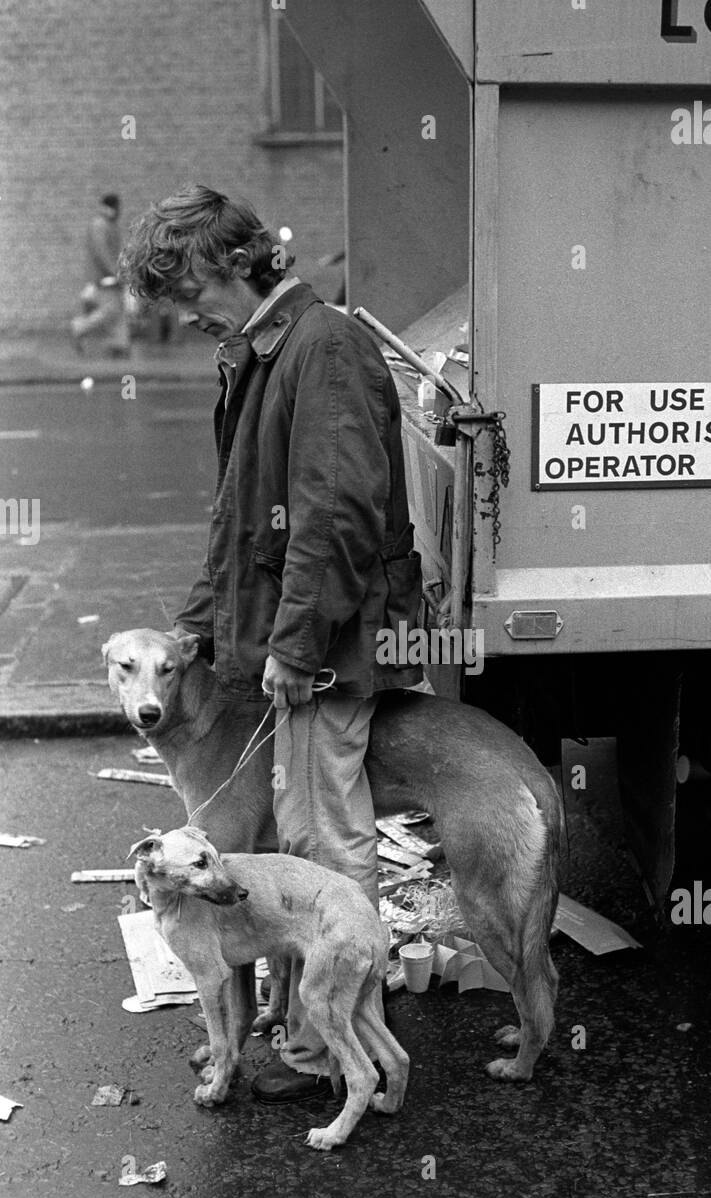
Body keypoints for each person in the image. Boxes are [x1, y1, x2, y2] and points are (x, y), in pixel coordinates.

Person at [119, 185, 423, 1102]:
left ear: (235, 260)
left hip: (325, 643)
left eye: (189, 291)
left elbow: (334, 512)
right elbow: (241, 520)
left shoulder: (319, 346)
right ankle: (308, 1035)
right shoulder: (263, 348)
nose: (188, 315)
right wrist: (199, 625)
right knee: (300, 837)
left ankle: (333, 1047)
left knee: (326, 840)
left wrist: (293, 641)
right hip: (299, 639)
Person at [71, 194, 130, 356]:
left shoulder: (109, 225)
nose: (120, 211)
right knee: (111, 310)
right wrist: (115, 272)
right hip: (104, 278)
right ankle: (80, 327)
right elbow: (102, 252)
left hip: (109, 277)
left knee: (117, 310)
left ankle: (120, 345)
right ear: (111, 207)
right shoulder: (100, 225)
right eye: (118, 207)